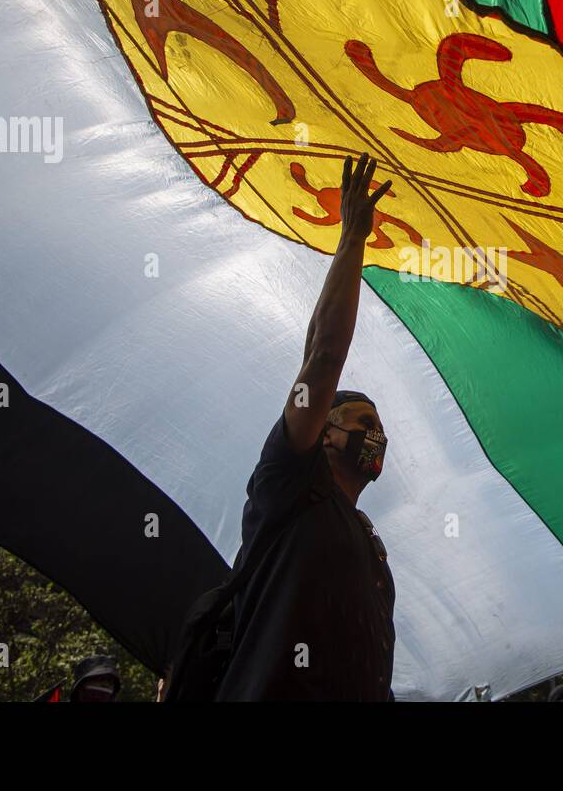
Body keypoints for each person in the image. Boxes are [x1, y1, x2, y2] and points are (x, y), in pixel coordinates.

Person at [167, 152, 396, 701]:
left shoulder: (369, 544)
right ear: (323, 432)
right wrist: (352, 240)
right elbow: (323, 354)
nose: (377, 436)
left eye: (380, 427)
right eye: (362, 421)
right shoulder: (290, 481)